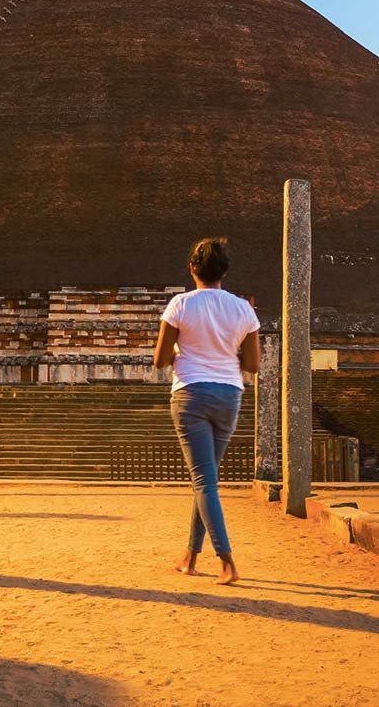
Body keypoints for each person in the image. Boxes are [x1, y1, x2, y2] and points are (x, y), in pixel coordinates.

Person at [153, 237, 260, 584]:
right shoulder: (243, 309)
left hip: (191, 395)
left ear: (192, 269)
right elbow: (253, 365)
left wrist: (181, 353)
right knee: (206, 479)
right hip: (229, 395)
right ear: (224, 272)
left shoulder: (181, 305)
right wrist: (225, 352)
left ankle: (227, 562)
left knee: (203, 480)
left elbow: (160, 359)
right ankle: (190, 556)